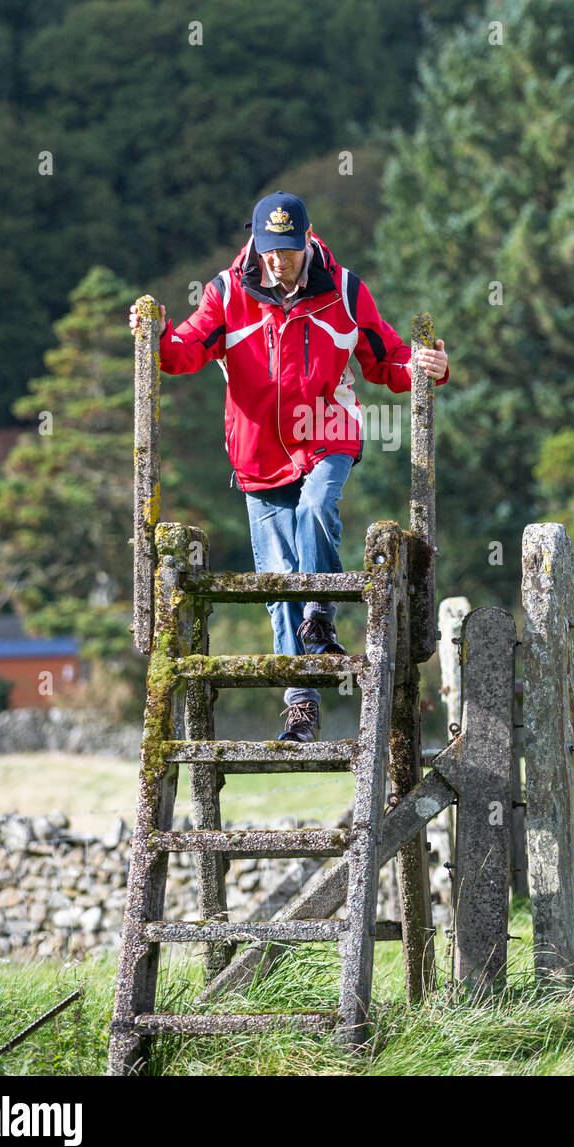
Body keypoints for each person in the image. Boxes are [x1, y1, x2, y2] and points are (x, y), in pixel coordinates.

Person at [129, 191, 449, 742]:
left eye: (289, 249)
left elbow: (384, 358)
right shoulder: (227, 294)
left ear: (308, 240)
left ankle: (321, 615)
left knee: (317, 507)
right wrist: (155, 334)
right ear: (256, 241)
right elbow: (184, 350)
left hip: (326, 430)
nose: (279, 260)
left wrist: (427, 365)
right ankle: (301, 709)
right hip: (257, 456)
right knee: (279, 587)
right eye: (270, 249)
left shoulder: (345, 290)